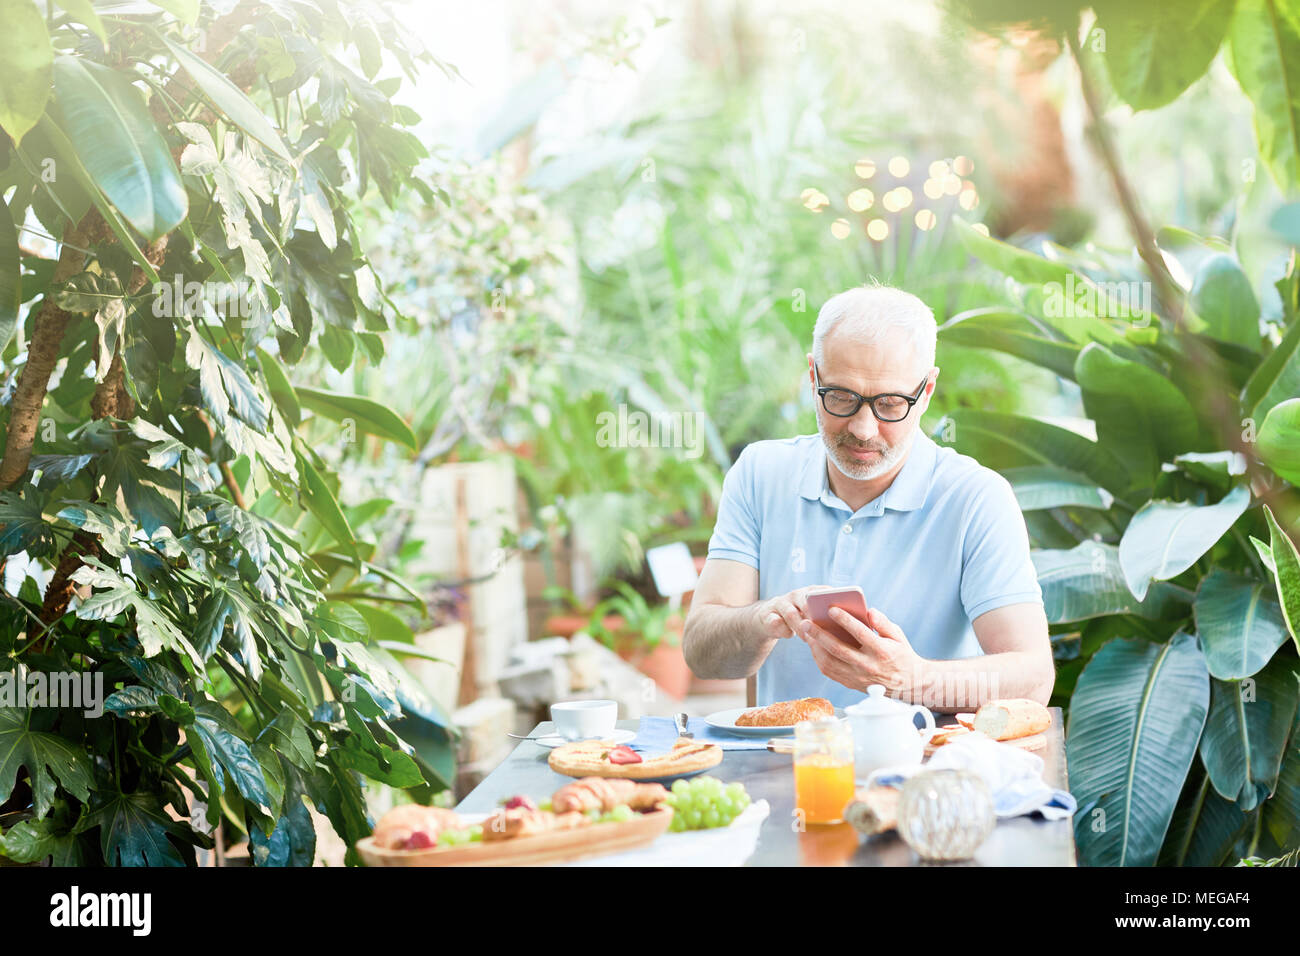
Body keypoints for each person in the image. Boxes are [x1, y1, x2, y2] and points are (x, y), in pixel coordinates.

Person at [682, 283, 1054, 712]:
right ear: (813, 376)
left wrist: (911, 680)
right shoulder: (760, 473)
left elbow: (1033, 680)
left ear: (926, 392)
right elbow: (701, 653)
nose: (862, 428)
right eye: (841, 397)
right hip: (785, 766)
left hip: (926, 772)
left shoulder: (975, 498)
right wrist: (763, 618)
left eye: (891, 404)